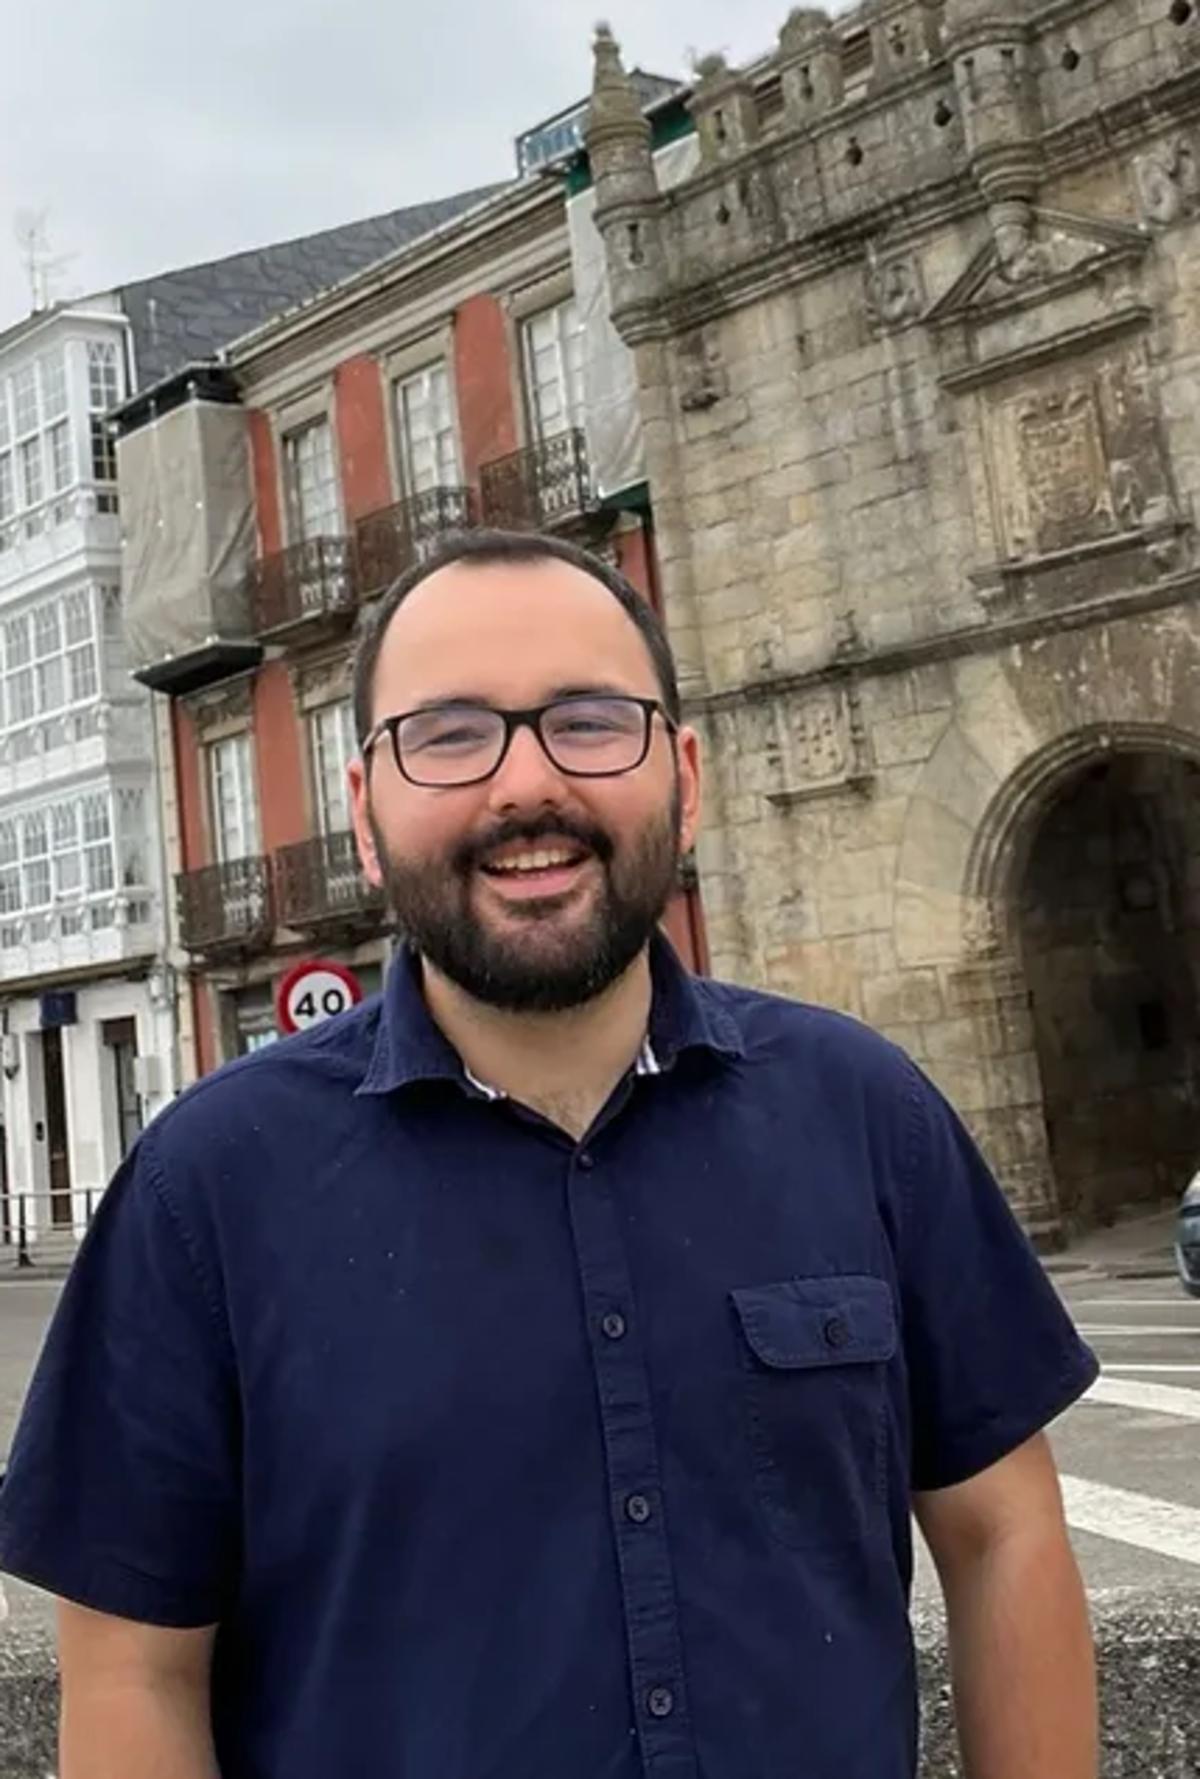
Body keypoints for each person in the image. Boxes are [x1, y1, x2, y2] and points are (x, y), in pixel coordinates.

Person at [0, 529, 1098, 1779]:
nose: (526, 786)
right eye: (451, 734)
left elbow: (1007, 1534)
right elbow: (135, 1671)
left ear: (684, 774)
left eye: (589, 720)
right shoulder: (205, 1190)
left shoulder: (868, 1115)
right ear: (365, 811)